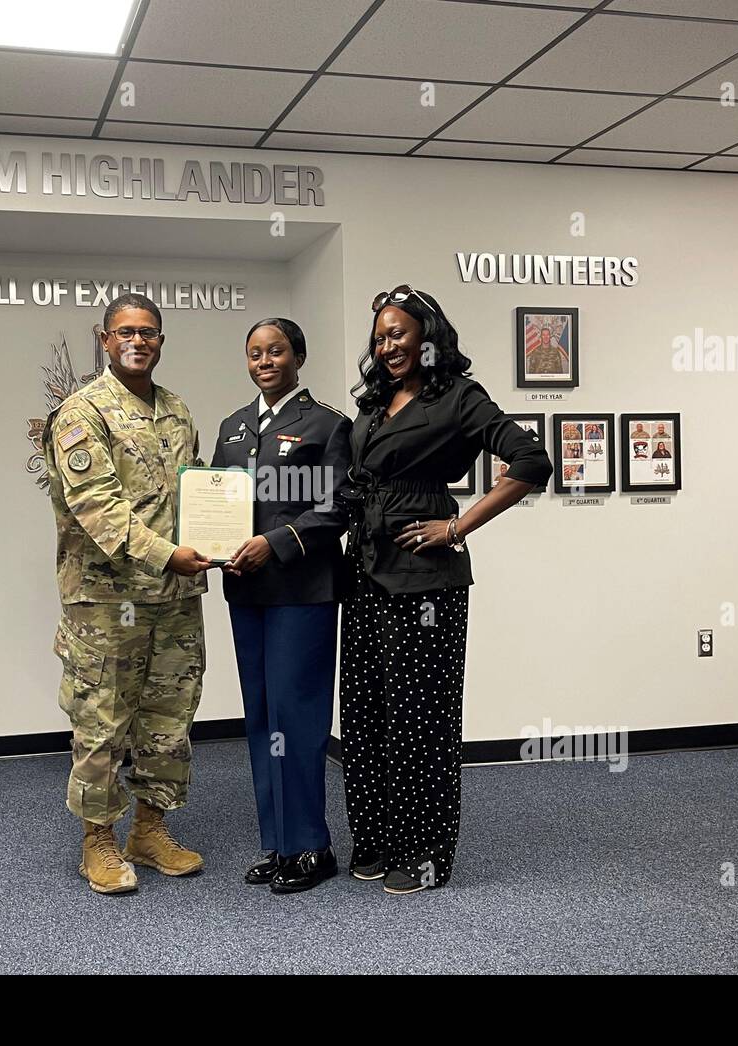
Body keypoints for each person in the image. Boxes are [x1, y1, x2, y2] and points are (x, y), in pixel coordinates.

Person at [340, 284, 553, 894]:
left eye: (398, 334)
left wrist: (457, 526)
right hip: (365, 571)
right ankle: (377, 838)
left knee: (420, 720)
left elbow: (531, 462)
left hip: (424, 581)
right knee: (365, 714)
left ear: (427, 336)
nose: (387, 347)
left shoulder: (459, 397)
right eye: (379, 338)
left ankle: (425, 853)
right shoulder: (375, 401)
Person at [43, 292, 214, 895]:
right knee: (101, 721)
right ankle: (98, 840)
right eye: (125, 332)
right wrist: (170, 554)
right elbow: (99, 509)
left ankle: (148, 829)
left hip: (175, 597)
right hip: (105, 602)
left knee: (169, 718)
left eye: (148, 332)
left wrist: (221, 535)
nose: (137, 341)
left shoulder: (177, 411)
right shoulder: (81, 413)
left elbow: (195, 492)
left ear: (160, 341)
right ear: (105, 339)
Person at [212, 318, 351, 894]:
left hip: (302, 590)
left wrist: (275, 542)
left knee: (297, 719)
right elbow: (217, 500)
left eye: (276, 351)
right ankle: (278, 843)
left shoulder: (328, 424)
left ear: (299, 356)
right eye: (255, 353)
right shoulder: (233, 426)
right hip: (247, 590)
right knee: (263, 717)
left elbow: (337, 506)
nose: (265, 361)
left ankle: (311, 846)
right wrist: (214, 547)